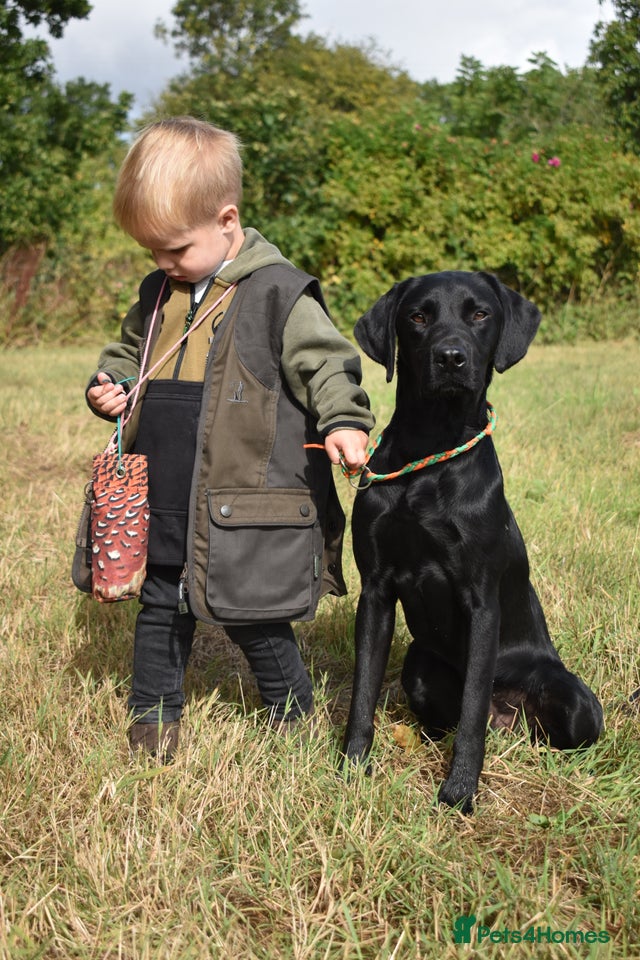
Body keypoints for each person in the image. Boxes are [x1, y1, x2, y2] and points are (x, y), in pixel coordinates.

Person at [86, 116, 374, 760]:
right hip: (165, 478)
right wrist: (111, 383)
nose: (163, 264)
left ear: (227, 220)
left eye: (174, 249)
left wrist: (344, 420)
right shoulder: (159, 291)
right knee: (162, 600)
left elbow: (327, 364)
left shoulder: (279, 292)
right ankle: (153, 718)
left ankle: (292, 713)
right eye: (151, 252)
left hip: (242, 490)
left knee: (252, 610)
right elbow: (130, 351)